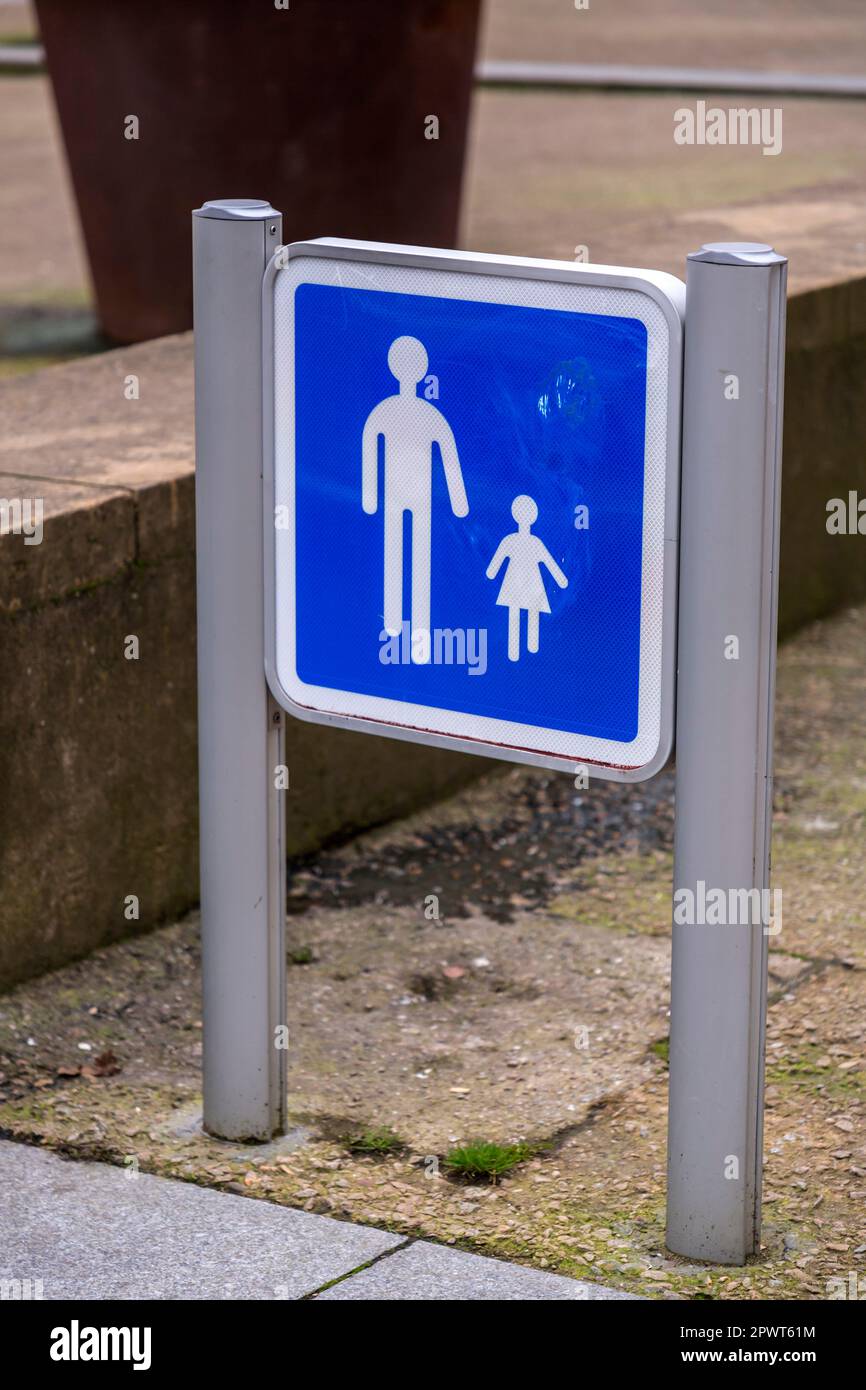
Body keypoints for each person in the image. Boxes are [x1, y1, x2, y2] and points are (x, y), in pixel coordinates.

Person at [362, 336, 468, 660]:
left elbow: (371, 445)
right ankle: (408, 633)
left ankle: (404, 631)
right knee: (413, 557)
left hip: (407, 496)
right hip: (411, 496)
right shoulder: (424, 413)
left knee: (405, 554)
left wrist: (370, 497)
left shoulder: (389, 410)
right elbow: (447, 452)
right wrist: (458, 502)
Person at [487, 495, 567, 661]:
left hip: (522, 582)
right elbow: (549, 562)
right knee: (525, 612)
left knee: (526, 611)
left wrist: (561, 579)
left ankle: (527, 650)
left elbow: (548, 561)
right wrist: (561, 580)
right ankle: (525, 649)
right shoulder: (526, 541)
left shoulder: (519, 541)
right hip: (523, 581)